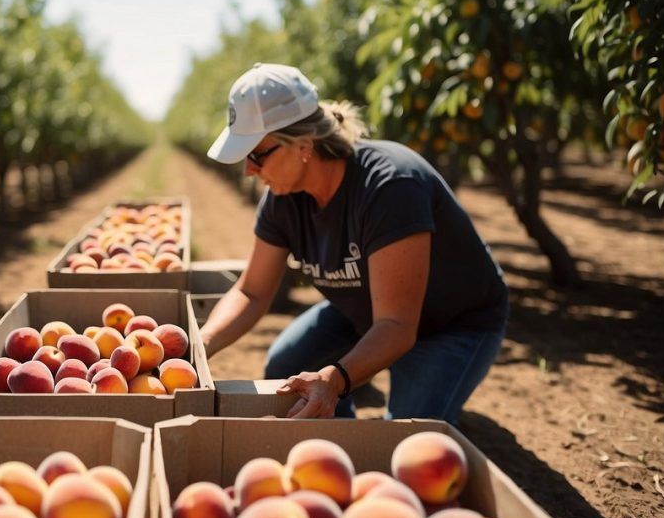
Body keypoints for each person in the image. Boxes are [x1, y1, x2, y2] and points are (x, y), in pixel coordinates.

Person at [200, 62, 508, 424]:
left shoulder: (390, 187)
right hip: (362, 307)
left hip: (448, 323)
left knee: (405, 437)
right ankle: (337, 429)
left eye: (256, 154)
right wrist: (202, 343)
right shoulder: (283, 199)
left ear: (302, 145)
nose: (248, 170)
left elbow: (396, 325)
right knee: (286, 369)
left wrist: (335, 379)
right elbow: (252, 291)